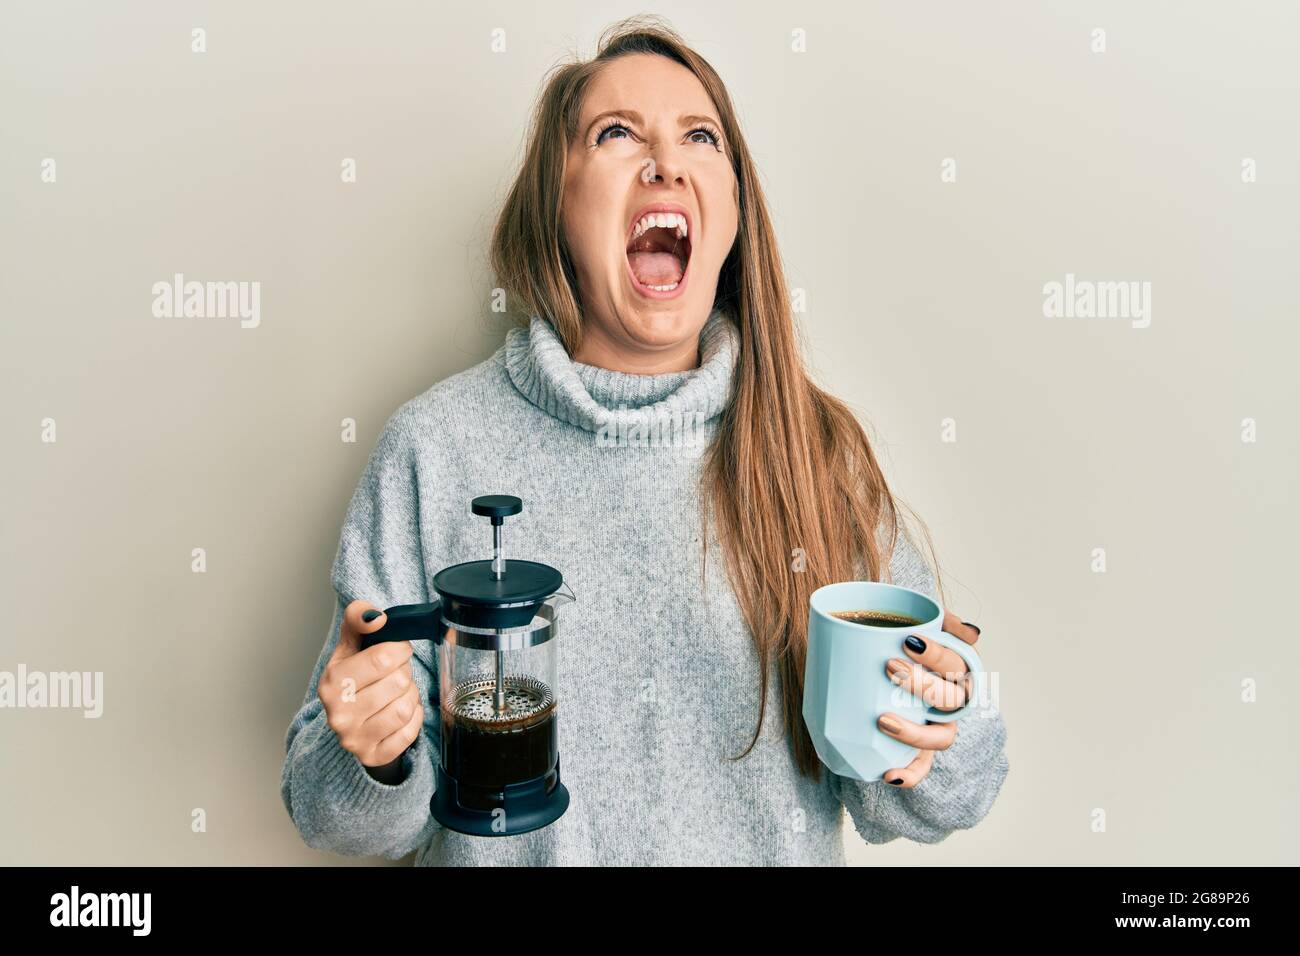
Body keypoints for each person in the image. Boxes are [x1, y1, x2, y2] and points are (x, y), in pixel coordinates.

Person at [280, 16, 1009, 865]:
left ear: (734, 212)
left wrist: (938, 723)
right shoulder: (434, 448)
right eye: (617, 133)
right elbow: (336, 820)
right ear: (556, 201)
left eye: (699, 137)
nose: (665, 161)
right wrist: (370, 752)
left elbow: (922, 804)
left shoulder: (813, 450)